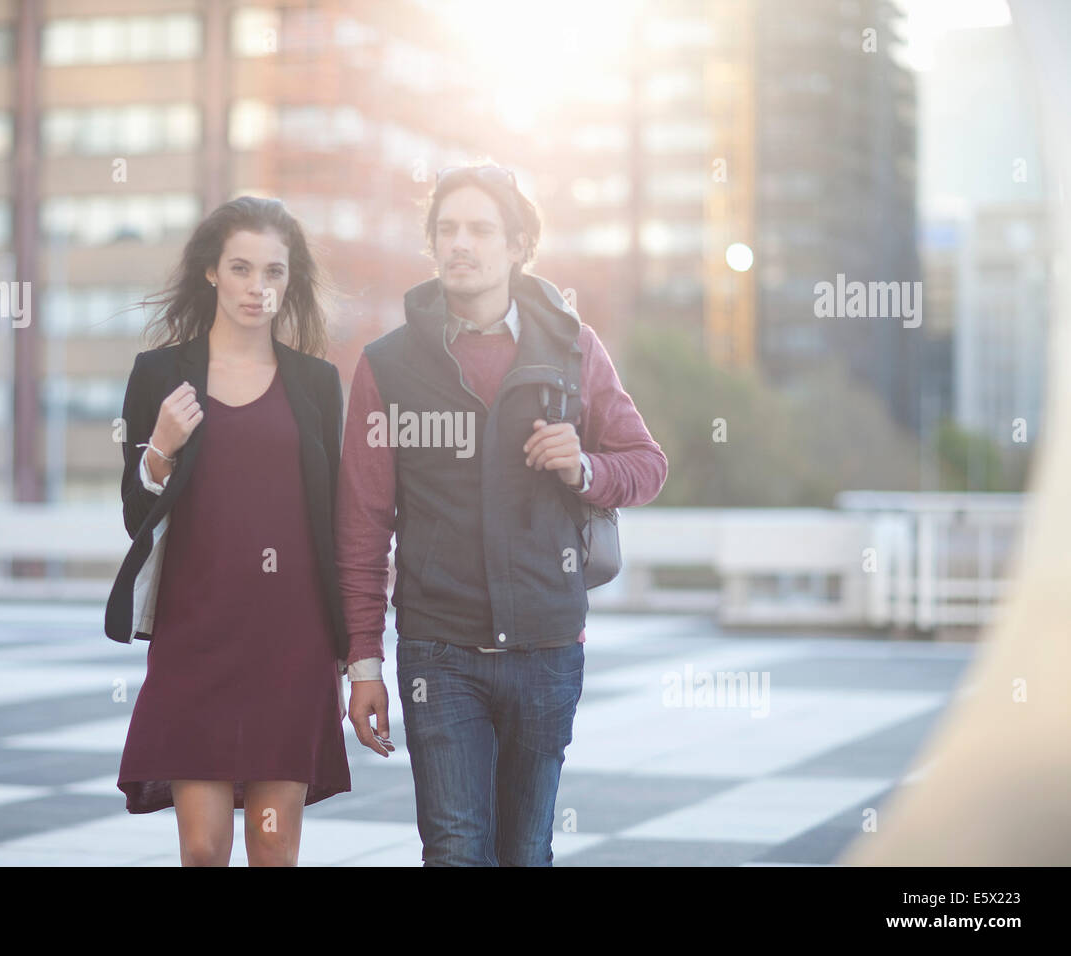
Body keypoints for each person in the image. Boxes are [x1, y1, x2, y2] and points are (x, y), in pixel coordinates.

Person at [336, 162, 669, 865]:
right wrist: (363, 662)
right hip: (439, 652)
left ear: (518, 247)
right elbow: (362, 523)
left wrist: (583, 467)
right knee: (457, 850)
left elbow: (646, 467)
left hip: (548, 649)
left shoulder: (574, 349)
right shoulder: (387, 366)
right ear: (432, 246)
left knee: (526, 852)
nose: (461, 243)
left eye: (481, 229)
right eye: (447, 229)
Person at [104, 196, 351, 866]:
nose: (257, 287)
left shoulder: (318, 385)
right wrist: (159, 446)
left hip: (291, 643)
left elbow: (337, 522)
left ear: (289, 281)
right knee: (204, 848)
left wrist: (358, 652)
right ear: (212, 271)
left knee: (273, 847)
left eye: (273, 272)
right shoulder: (157, 375)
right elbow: (136, 513)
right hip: (196, 638)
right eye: (241, 268)